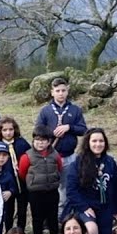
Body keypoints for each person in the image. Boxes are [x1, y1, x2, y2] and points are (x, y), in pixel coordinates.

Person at [35, 77, 88, 216]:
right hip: (51, 156)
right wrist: (52, 133)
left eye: (63, 90)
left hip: (69, 156)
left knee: (66, 187)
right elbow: (37, 132)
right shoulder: (45, 111)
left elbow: (83, 129)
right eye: (57, 91)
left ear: (67, 91)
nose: (61, 93)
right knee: (50, 187)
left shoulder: (75, 110)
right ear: (52, 92)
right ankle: (48, 216)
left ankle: (63, 216)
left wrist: (69, 127)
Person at [65, 128, 117, 234]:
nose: (98, 144)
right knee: (91, 231)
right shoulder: (77, 164)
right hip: (84, 205)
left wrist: (115, 208)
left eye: (101, 141)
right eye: (94, 141)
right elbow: (71, 190)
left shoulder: (110, 162)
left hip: (105, 207)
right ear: (88, 143)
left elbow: (115, 187)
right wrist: (85, 207)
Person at [19, 125, 62, 234]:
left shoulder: (55, 155)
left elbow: (59, 168)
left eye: (43, 140)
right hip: (35, 193)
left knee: (53, 217)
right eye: (37, 140)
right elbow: (22, 172)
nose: (40, 143)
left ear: (49, 142)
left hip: (52, 191)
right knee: (37, 218)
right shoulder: (27, 156)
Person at [0, 116, 31, 234]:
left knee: (22, 210)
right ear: (0, 131)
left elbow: (30, 157)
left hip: (22, 183)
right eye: (5, 130)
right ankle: (8, 232)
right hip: (7, 185)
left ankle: (21, 233)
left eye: (11, 129)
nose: (8, 132)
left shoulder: (21, 143)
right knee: (8, 211)